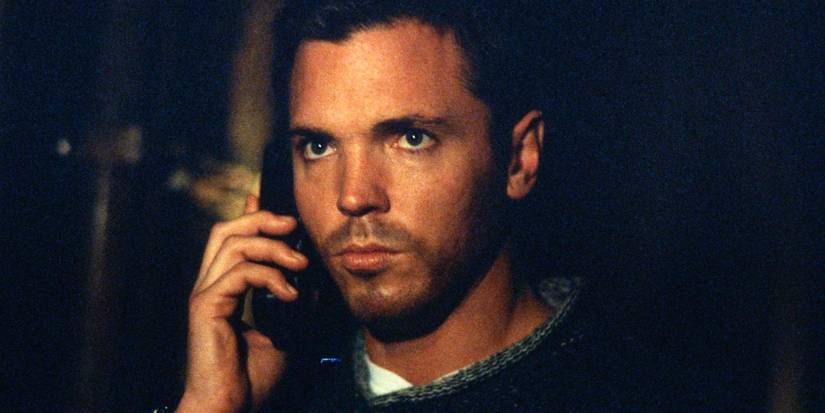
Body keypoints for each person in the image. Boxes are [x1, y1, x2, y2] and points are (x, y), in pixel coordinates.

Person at [175, 1, 694, 411]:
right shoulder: (280, 389)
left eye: (411, 138)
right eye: (318, 146)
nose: (352, 197)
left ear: (518, 158)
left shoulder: (638, 393)